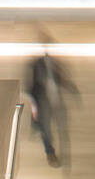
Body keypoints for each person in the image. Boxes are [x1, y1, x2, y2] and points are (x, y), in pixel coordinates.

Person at [25, 29, 80, 167]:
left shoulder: (54, 64)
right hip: (43, 102)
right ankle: (50, 153)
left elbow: (62, 79)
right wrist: (34, 107)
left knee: (61, 126)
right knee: (46, 130)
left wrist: (72, 90)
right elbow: (30, 88)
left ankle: (60, 152)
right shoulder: (35, 65)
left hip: (56, 100)